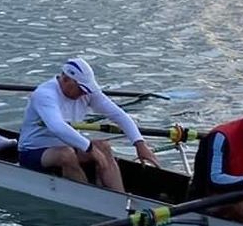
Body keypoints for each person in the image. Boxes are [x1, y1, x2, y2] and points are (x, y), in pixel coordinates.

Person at [18, 56, 160, 193]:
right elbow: (58, 128)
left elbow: (118, 115)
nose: (84, 94)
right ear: (65, 79)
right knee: (66, 154)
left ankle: (119, 197)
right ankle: (88, 199)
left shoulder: (86, 92)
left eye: (86, 90)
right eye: (81, 89)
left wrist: (140, 144)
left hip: (69, 146)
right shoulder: (45, 94)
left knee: (104, 147)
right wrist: (89, 148)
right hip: (33, 151)